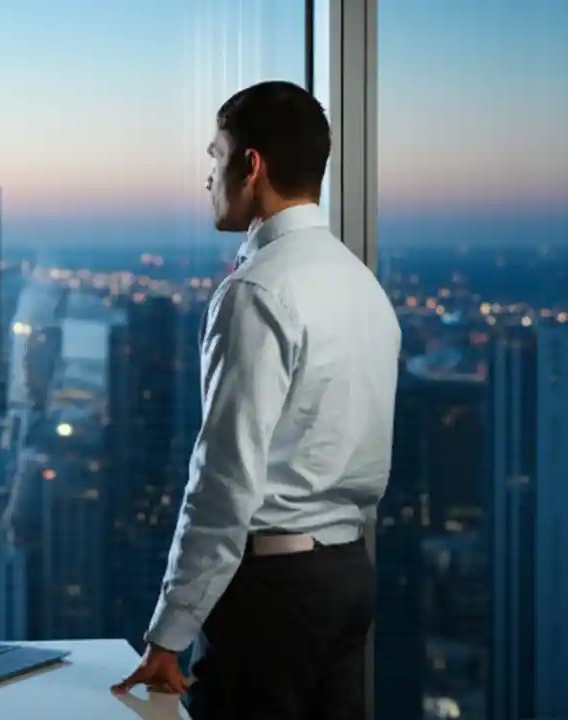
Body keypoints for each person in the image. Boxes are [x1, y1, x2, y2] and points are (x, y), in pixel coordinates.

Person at [111, 80, 401, 719]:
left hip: (276, 592)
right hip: (349, 575)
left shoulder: (258, 292)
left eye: (213, 158)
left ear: (251, 165)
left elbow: (224, 479)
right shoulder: (361, 284)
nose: (206, 178)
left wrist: (170, 631)